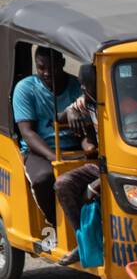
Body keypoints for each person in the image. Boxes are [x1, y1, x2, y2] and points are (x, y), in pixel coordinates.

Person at [13, 48, 86, 240]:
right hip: (40, 151)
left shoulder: (76, 86)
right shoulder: (25, 88)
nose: (46, 73)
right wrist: (55, 159)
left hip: (74, 146)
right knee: (44, 179)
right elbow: (27, 133)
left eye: (51, 67)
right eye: (41, 68)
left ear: (61, 63)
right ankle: (56, 223)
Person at [52, 64, 111, 268]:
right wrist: (71, 112)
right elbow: (57, 118)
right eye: (84, 87)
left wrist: (95, 185)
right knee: (63, 184)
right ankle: (83, 242)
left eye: (89, 86)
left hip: (121, 167)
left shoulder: (122, 102)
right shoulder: (88, 102)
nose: (85, 90)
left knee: (91, 191)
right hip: (100, 165)